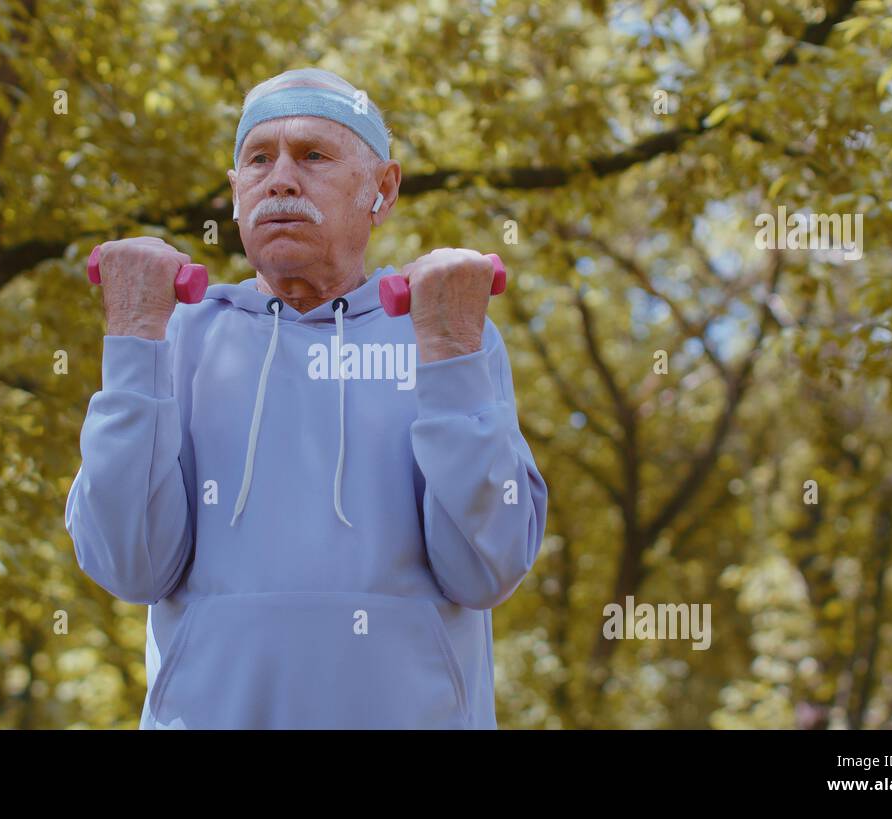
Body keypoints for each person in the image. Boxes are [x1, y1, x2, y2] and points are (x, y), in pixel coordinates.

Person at [65, 67, 548, 729]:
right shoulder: (179, 333)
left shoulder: (444, 326)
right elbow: (128, 563)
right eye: (257, 160)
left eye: (313, 156)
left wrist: (450, 345)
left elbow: (487, 567)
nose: (281, 179)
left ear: (383, 189)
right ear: (235, 193)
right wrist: (131, 336)